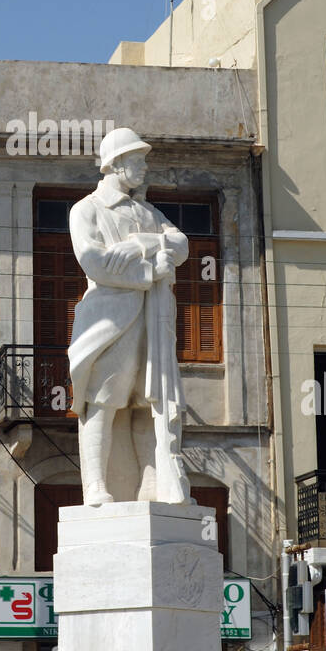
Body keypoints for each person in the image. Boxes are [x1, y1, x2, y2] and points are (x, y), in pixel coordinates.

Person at [68, 127, 192, 505]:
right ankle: (95, 486)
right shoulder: (87, 209)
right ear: (117, 164)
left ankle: (152, 485)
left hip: (153, 320)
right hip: (110, 321)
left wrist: (142, 243)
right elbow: (94, 260)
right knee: (103, 402)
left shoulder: (148, 213)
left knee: (146, 401)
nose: (144, 168)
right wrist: (150, 270)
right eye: (137, 160)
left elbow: (182, 244)